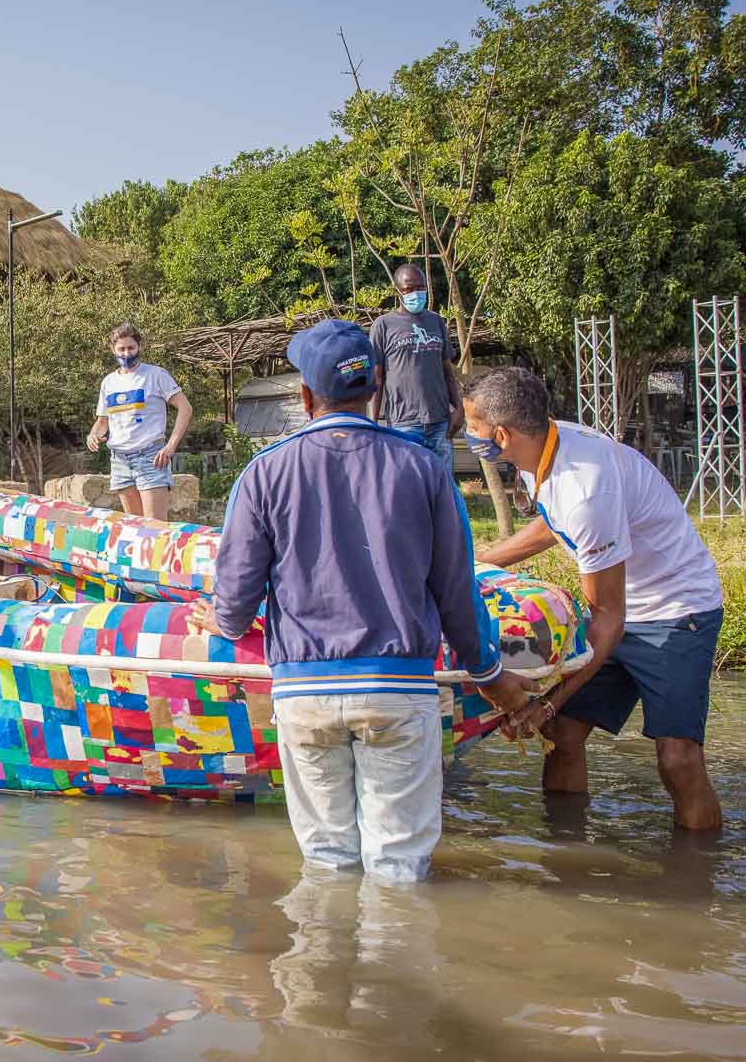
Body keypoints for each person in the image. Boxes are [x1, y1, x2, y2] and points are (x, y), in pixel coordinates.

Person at [207, 319, 531, 882]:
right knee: (399, 866)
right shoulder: (425, 467)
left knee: (327, 863)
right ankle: (393, 967)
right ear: (377, 384)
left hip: (304, 692)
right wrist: (488, 671)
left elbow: (235, 601)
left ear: (305, 396)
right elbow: (456, 590)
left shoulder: (262, 474)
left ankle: (322, 963)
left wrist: (223, 623)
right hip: (397, 690)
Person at [464, 366, 726, 831]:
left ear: (501, 434)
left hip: (675, 612)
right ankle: (566, 857)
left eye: (472, 428)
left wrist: (546, 701)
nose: (468, 436)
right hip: (619, 607)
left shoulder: (586, 488)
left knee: (677, 760)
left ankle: (698, 879)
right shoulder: (543, 449)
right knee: (561, 734)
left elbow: (608, 621)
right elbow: (553, 522)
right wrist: (483, 560)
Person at [86, 323, 192, 520]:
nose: (126, 354)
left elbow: (185, 408)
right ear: (113, 350)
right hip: (120, 459)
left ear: (139, 347)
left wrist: (170, 446)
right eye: (121, 349)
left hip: (150, 457)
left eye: (131, 348)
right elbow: (102, 422)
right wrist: (93, 435)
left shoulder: (156, 375)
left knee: (154, 528)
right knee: (135, 528)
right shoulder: (109, 382)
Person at [370, 263, 464, 472]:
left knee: (443, 487)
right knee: (408, 487)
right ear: (398, 292)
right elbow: (378, 378)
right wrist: (373, 423)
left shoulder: (436, 322)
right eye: (409, 289)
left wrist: (459, 408)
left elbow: (447, 370)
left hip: (440, 422)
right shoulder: (383, 326)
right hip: (404, 423)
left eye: (420, 288)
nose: (416, 294)